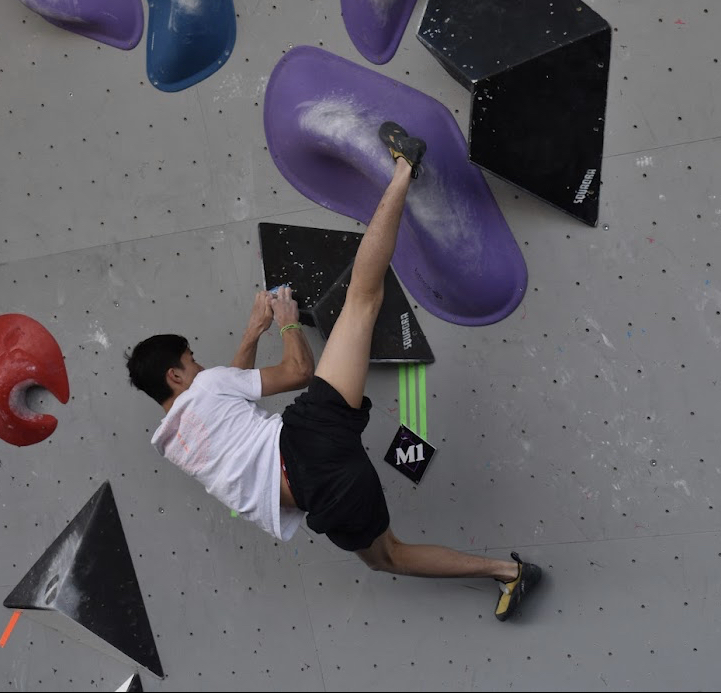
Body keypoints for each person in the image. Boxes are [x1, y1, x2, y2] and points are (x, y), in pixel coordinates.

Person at [126, 122, 542, 621]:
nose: (200, 367)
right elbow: (296, 372)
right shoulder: (209, 388)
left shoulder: (176, 444)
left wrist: (250, 335)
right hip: (310, 434)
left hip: (319, 487)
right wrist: (281, 326)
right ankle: (404, 167)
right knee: (362, 301)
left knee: (388, 557)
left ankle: (508, 573)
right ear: (175, 376)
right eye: (191, 362)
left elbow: (223, 401)